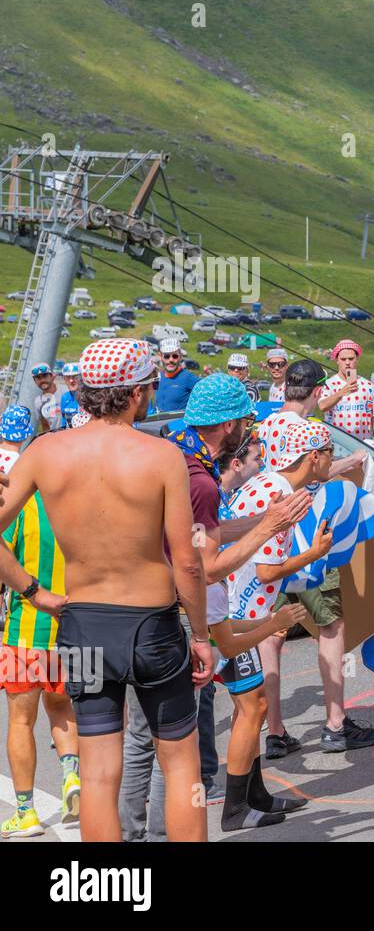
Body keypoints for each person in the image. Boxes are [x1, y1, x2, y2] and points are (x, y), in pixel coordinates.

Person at [0, 338, 214, 842]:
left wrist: (33, 592)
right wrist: (201, 633)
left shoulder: (45, 451)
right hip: (152, 625)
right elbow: (187, 560)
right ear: (137, 392)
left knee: (97, 774)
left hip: (83, 624)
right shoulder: (162, 456)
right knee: (182, 764)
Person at [138, 374, 317, 834]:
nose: (247, 432)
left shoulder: (179, 453)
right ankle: (221, 812)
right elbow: (209, 566)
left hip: (188, 610)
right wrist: (268, 526)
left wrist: (266, 523)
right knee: (174, 745)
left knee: (243, 706)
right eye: (243, 422)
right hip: (198, 612)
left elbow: (206, 537)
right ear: (227, 424)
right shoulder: (198, 479)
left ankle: (248, 797)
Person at [227, 420, 374, 753]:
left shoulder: (269, 480)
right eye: (330, 453)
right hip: (237, 613)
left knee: (248, 705)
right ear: (313, 456)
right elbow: (267, 572)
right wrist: (313, 554)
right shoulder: (283, 496)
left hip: (236, 608)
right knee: (247, 707)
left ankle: (266, 752)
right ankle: (237, 793)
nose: (332, 460)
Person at [0, 406, 80, 838]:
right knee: (65, 708)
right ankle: (73, 779)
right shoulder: (82, 496)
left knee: (19, 721)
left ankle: (27, 810)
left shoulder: (20, 498)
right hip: (75, 625)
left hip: (25, 627)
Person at [320, 339, 374, 444]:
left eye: (351, 359)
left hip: (365, 444)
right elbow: (322, 406)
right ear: (337, 360)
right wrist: (341, 392)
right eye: (343, 359)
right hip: (337, 445)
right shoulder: (329, 384)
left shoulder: (368, 386)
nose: (347, 363)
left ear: (357, 359)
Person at [155, 339, 200, 412]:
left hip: (180, 422)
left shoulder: (188, 377)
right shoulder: (158, 377)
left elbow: (208, 392)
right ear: (160, 356)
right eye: (166, 356)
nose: (171, 360)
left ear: (180, 356)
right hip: (159, 422)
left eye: (175, 356)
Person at [30, 363, 63, 433]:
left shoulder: (66, 391)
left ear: (51, 376)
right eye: (38, 378)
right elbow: (45, 425)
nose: (42, 380)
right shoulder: (38, 402)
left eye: (45, 376)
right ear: (34, 381)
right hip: (56, 440)